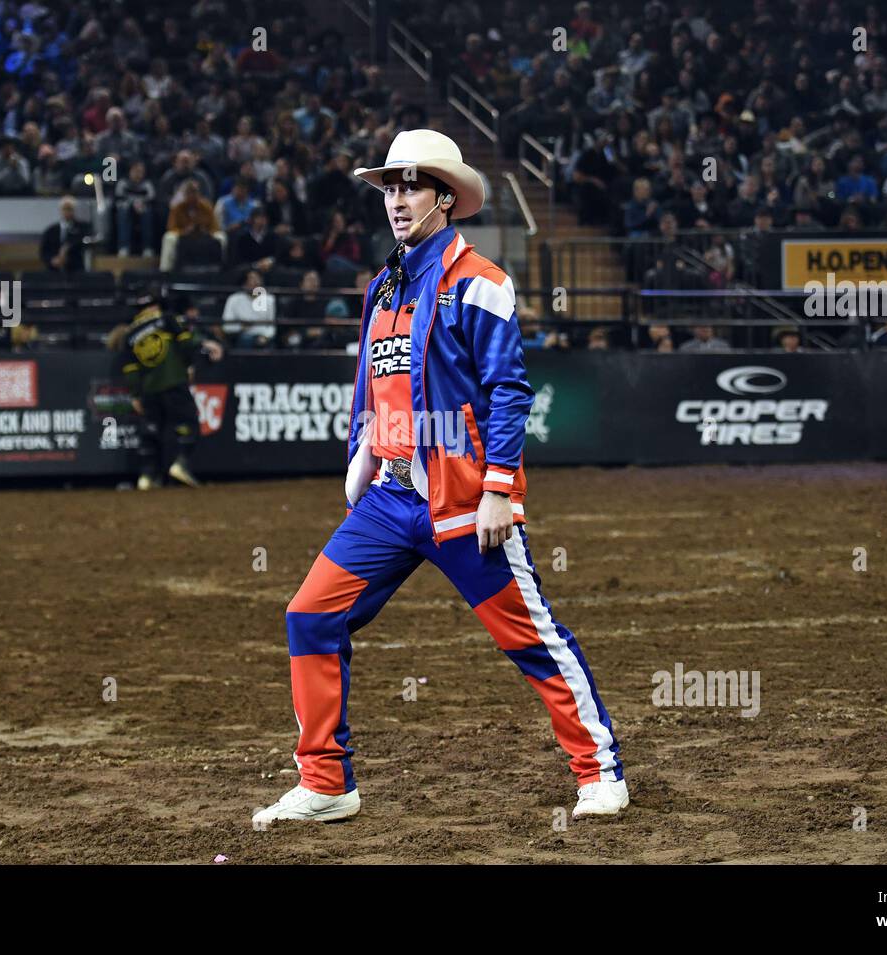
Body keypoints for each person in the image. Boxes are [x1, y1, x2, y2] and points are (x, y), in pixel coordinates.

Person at [253, 130, 625, 827]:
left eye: (411, 186)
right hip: (394, 495)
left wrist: (498, 490)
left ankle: (599, 771)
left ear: (444, 198)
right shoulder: (384, 283)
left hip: (461, 496)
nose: (396, 200)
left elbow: (510, 391)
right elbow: (377, 373)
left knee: (531, 638)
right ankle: (326, 782)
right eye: (390, 187)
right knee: (309, 613)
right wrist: (362, 440)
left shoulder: (480, 280)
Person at [110, 295, 223, 490]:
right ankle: (180, 464)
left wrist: (136, 394)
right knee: (188, 423)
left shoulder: (129, 335)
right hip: (173, 381)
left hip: (149, 389)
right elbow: (186, 343)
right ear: (154, 306)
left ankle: (146, 477)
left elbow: (130, 370)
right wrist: (194, 358)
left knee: (152, 431)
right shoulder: (167, 319)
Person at [40, 195, 88, 272]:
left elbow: (83, 243)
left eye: (70, 209)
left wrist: (67, 249)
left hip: (76, 270)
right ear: (60, 210)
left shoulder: (83, 228)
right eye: (64, 209)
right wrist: (52, 260)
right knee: (18, 282)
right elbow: (44, 251)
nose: (67, 212)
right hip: (54, 271)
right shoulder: (51, 230)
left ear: (74, 210)